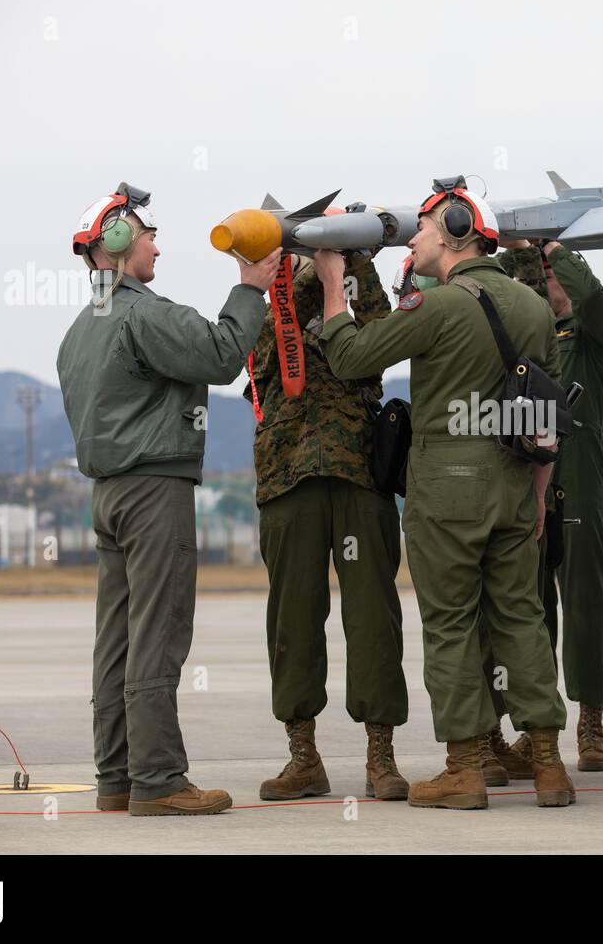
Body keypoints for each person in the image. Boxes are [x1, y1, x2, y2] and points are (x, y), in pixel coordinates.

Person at [317, 180, 574, 810]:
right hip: (516, 487)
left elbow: (350, 355)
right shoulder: (533, 308)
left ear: (456, 230)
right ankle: (548, 765)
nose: (417, 237)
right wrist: (537, 494)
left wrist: (331, 283)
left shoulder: (437, 307)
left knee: (452, 622)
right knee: (522, 617)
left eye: (425, 227)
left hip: (447, 490)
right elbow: (544, 415)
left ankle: (463, 768)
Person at [57, 182, 280, 815]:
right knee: (158, 633)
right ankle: (158, 781)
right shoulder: (140, 312)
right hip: (155, 491)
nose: (158, 243)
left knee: (117, 640)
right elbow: (221, 353)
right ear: (120, 242)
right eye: (148, 233)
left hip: (108, 497)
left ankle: (117, 778)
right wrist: (251, 286)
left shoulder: (78, 332)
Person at [245, 239, 409, 803]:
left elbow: (374, 349)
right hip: (287, 469)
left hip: (359, 467)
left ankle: (380, 754)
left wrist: (335, 270)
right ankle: (303, 756)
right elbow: (253, 360)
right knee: (292, 619)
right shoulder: (267, 290)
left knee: (372, 615)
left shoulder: (357, 274)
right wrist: (274, 281)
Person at [488, 239, 603, 774]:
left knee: (586, 599)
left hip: (579, 473)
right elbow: (492, 287)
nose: (552, 283)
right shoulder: (529, 339)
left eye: (555, 275)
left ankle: (592, 721)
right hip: (527, 471)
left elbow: (591, 296)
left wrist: (554, 246)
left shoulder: (593, 336)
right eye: (543, 276)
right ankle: (534, 729)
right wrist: (515, 252)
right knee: (528, 606)